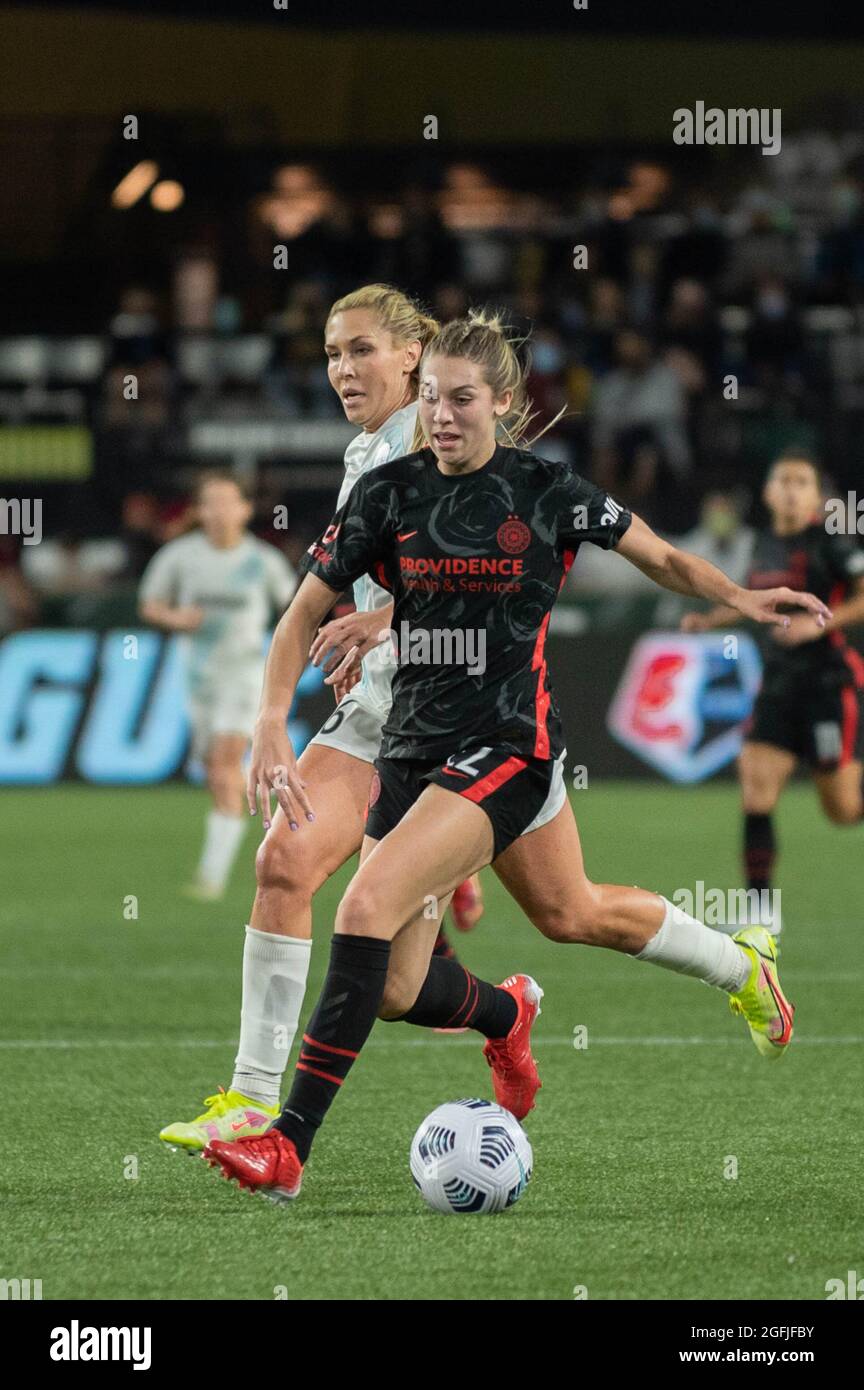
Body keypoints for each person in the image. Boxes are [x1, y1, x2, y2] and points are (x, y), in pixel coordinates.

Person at [203, 311, 830, 1203]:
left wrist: (743, 597)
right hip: (414, 756)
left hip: (509, 748)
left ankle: (285, 1146)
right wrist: (272, 714)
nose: (443, 415)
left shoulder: (547, 491)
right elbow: (306, 609)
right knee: (516, 936)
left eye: (462, 399)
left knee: (363, 908)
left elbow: (659, 556)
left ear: (503, 401)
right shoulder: (387, 492)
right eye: (430, 399)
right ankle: (725, 971)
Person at [158, 286, 499, 1153]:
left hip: (461, 717)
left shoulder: (446, 440)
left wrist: (382, 623)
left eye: (360, 351)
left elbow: (499, 574)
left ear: (412, 356)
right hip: (374, 709)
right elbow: (344, 586)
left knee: (563, 918)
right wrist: (357, 645)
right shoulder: (364, 455)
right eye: (332, 354)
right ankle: (250, 1099)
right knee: (282, 862)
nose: (343, 369)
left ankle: (523, 1003)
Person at [682, 451, 864, 934]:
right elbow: (752, 602)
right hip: (779, 686)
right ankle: (761, 907)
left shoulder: (834, 543)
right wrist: (709, 619)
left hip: (829, 684)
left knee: (843, 811)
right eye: (781, 479)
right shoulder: (763, 543)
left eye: (800, 481)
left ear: (816, 496)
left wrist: (817, 624)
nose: (789, 488)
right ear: (766, 492)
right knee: (756, 787)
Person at [139, 473, 296, 902]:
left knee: (226, 762)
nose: (220, 511)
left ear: (245, 510)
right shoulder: (180, 556)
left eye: (228, 502)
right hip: (197, 677)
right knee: (216, 770)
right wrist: (177, 619)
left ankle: (214, 877)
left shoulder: (263, 561)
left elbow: (294, 610)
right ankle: (251, 824)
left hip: (244, 676)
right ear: (198, 511)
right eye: (210, 503)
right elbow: (150, 604)